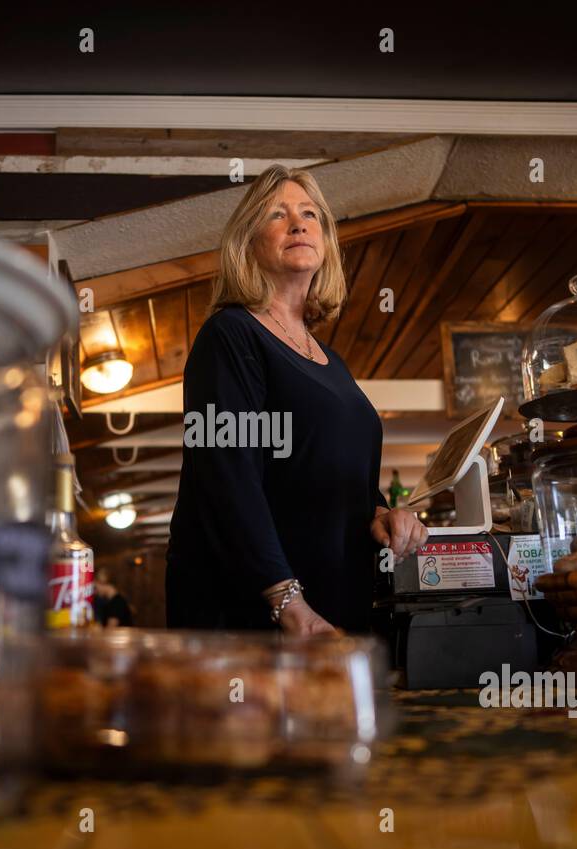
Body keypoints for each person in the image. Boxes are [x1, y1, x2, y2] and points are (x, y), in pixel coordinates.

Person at [166, 164, 428, 636]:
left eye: (310, 214)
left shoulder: (331, 361)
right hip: (262, 619)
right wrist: (288, 603)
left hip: (337, 607)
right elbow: (226, 477)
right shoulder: (231, 336)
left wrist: (383, 515)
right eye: (277, 215)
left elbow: (338, 477)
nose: (299, 223)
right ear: (247, 243)